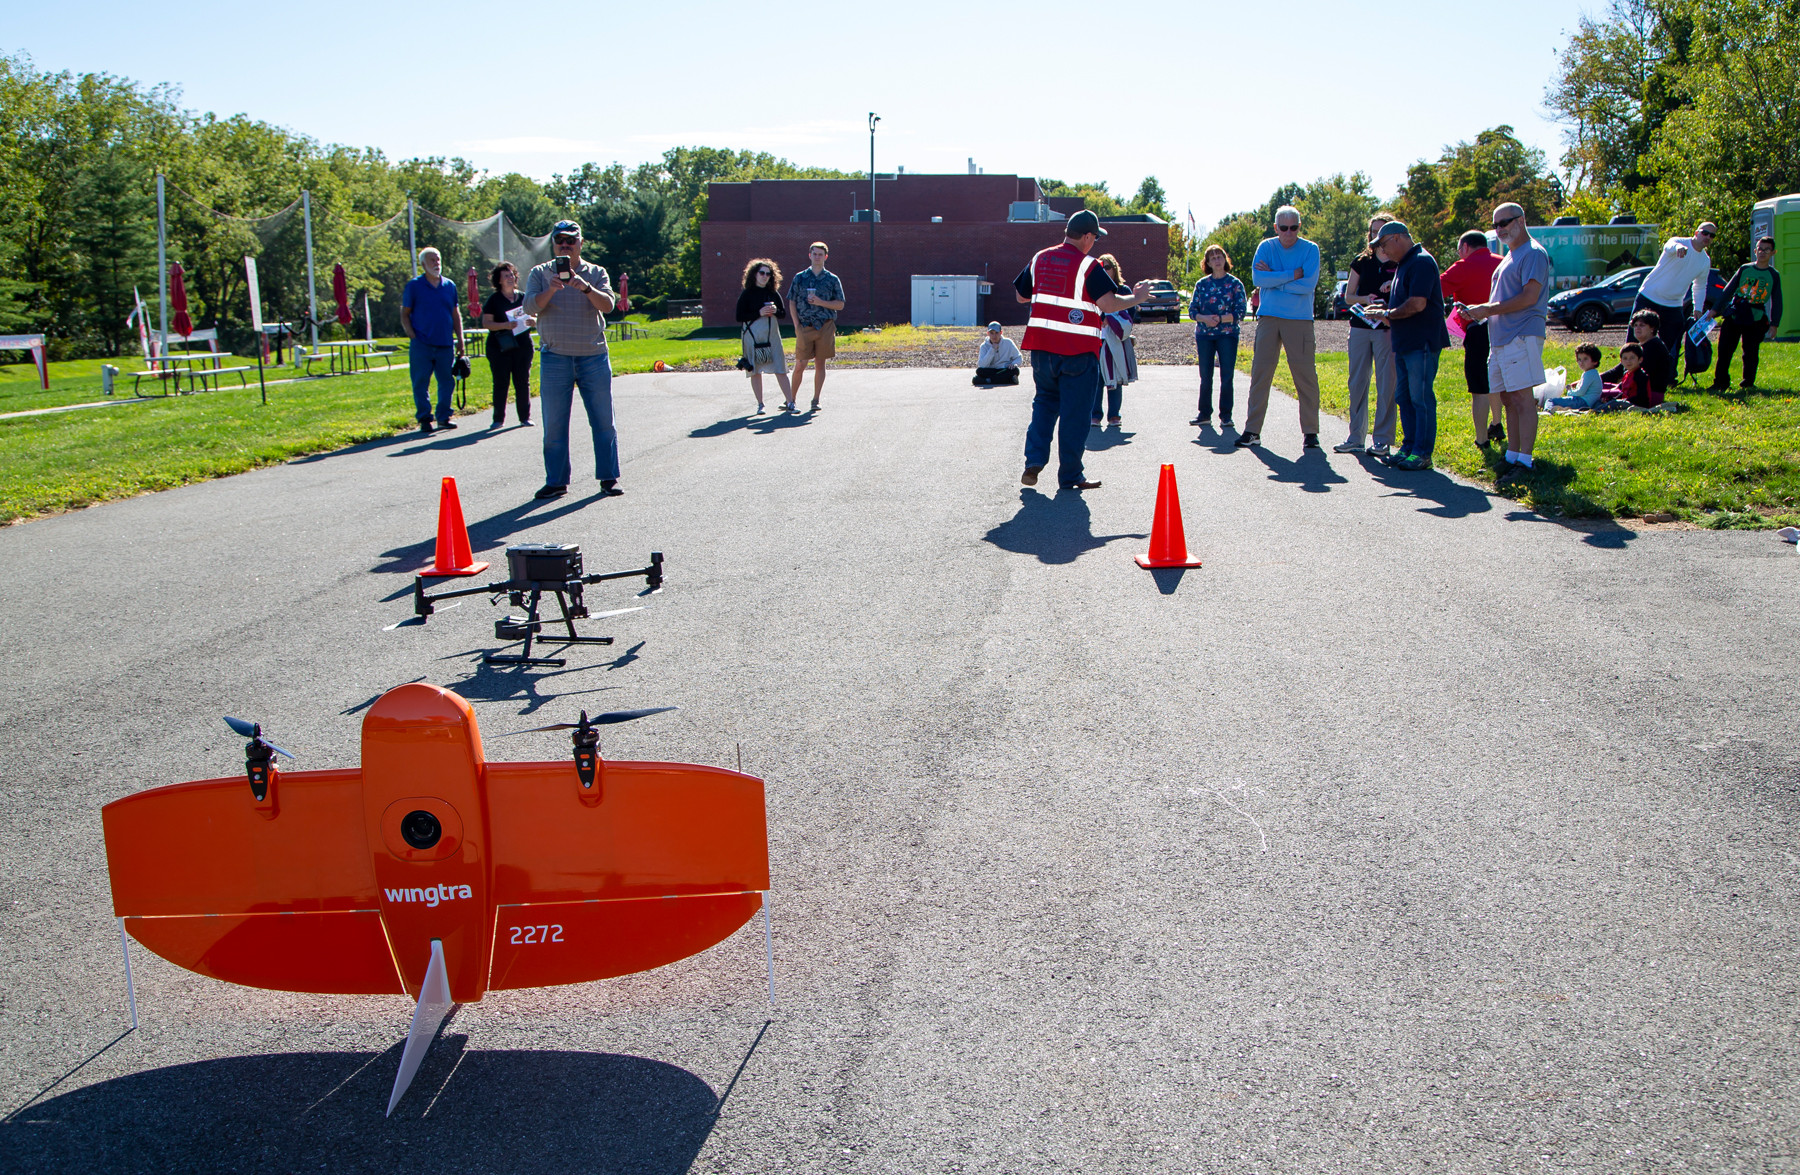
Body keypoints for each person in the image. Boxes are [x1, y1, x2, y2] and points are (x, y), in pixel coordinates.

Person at [1014, 209, 1152, 490]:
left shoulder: (1040, 257)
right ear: (1087, 236)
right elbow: (1109, 304)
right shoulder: (1089, 266)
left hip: (1041, 349)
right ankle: (1070, 475)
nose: (1094, 243)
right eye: (1095, 238)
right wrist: (1137, 297)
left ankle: (1034, 460)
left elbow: (1020, 295)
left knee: (1044, 403)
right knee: (1075, 414)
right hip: (1077, 351)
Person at [523, 219, 620, 501]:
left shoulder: (596, 272)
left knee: (603, 421)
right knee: (554, 423)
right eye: (559, 242)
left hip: (593, 356)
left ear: (580, 243)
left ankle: (608, 478)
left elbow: (609, 305)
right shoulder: (540, 273)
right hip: (555, 357)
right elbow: (530, 306)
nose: (564, 246)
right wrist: (551, 289)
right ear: (553, 244)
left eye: (570, 241)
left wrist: (585, 288)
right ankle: (556, 481)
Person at [1463, 203, 1550, 481]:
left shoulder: (1533, 253)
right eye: (1496, 225)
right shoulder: (1509, 256)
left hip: (1521, 335)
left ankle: (1525, 461)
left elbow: (1529, 298)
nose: (1500, 229)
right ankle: (1512, 456)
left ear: (1522, 220)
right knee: (1506, 398)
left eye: (1505, 222)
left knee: (1523, 398)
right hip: (1500, 338)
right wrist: (1479, 311)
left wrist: (1487, 310)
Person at [1364, 222, 1449, 471]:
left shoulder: (1421, 261)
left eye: (1384, 244)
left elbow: (1417, 304)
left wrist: (1387, 312)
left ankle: (1422, 453)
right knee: (1404, 396)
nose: (1383, 251)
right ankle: (1409, 447)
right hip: (1405, 342)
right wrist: (1384, 314)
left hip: (1420, 342)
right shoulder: (1404, 264)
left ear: (1399, 238)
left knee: (1420, 397)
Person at [1239, 205, 1322, 451]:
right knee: (1260, 374)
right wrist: (1290, 275)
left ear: (1299, 227)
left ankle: (1311, 433)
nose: (1289, 232)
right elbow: (1258, 279)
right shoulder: (1266, 247)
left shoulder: (1310, 249)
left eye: (1294, 227)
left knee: (1305, 376)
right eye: (1283, 228)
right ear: (1276, 228)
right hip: (1269, 317)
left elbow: (1308, 284)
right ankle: (1252, 431)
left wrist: (1276, 279)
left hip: (1300, 319)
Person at [1335, 213, 1399, 455]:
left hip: (1386, 329)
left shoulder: (1400, 262)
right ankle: (1356, 437)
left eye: (1381, 231)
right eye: (1373, 231)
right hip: (1360, 328)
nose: (1376, 235)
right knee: (1357, 382)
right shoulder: (1362, 261)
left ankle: (1382, 439)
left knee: (1386, 385)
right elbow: (1348, 296)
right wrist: (1365, 298)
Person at [1440, 228, 1505, 446]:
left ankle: (1481, 439)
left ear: (1465, 247)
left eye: (1459, 249)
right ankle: (1497, 423)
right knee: (1497, 378)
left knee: (1479, 386)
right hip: (1505, 328)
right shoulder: (1504, 262)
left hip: (1478, 330)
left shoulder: (1463, 267)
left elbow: (1434, 289)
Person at [399, 246, 466, 434]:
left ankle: (444, 417)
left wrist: (460, 338)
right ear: (423, 264)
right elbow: (405, 313)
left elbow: (455, 313)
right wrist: (412, 334)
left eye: (438, 259)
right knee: (421, 382)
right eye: (432, 260)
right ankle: (425, 419)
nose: (436, 263)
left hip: (445, 342)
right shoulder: (414, 286)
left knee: (447, 381)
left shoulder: (449, 286)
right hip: (422, 344)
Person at [1711, 236, 1783, 391]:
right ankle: (1720, 382)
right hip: (1736, 312)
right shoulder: (1745, 269)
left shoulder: (1773, 275)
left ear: (1773, 252)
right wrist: (1715, 309)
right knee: (1725, 350)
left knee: (1750, 352)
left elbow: (1777, 300)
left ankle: (1748, 382)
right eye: (1760, 249)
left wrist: (1774, 324)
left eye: (1767, 250)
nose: (1762, 252)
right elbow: (1728, 291)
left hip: (1755, 316)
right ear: (1755, 250)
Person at [1636, 221, 1717, 355]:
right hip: (1649, 297)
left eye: (1712, 236)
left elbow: (1700, 286)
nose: (1708, 237)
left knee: (1669, 347)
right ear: (1697, 233)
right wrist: (1678, 248)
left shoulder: (1705, 260)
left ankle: (1665, 374)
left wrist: (1697, 308)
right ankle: (1627, 374)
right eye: (1705, 233)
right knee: (1634, 342)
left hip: (1673, 305)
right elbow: (1669, 246)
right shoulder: (1679, 242)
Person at [1188, 244, 1245, 428]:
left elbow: (1240, 312)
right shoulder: (1202, 284)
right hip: (1205, 335)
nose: (1217, 260)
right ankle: (1204, 413)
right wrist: (1205, 318)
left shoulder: (1234, 284)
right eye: (1212, 258)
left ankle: (1226, 415)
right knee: (1206, 375)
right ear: (1208, 263)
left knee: (1227, 375)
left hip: (1227, 335)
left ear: (1225, 259)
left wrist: (1220, 319)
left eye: (1219, 256)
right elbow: (1192, 310)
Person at [787, 242, 845, 412]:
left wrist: (821, 302)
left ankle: (816, 399)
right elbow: (791, 301)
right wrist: (796, 325)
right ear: (809, 255)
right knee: (800, 364)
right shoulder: (800, 277)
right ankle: (791, 400)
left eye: (821, 254)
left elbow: (840, 304)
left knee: (820, 364)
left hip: (825, 326)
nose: (817, 257)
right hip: (805, 326)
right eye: (815, 254)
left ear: (825, 257)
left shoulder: (832, 279)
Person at [479, 262, 535, 428]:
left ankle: (525, 417)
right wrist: (504, 325)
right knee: (501, 382)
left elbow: (535, 315)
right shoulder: (494, 300)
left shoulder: (524, 297)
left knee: (522, 381)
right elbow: (486, 322)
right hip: (500, 347)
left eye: (512, 275)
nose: (510, 278)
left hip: (522, 345)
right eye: (506, 276)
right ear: (499, 281)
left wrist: (534, 321)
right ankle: (498, 419)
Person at [735, 258, 794, 414]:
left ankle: (790, 402)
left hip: (772, 335)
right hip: (752, 336)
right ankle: (761, 404)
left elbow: (782, 314)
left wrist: (774, 311)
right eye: (762, 273)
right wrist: (758, 313)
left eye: (768, 274)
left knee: (780, 368)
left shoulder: (772, 293)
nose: (765, 276)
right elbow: (739, 316)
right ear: (754, 274)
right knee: (754, 370)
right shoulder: (747, 293)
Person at [1092, 254, 1137, 425]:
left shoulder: (1123, 290)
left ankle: (1114, 415)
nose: (1104, 270)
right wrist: (1103, 317)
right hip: (1098, 340)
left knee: (1116, 378)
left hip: (1117, 340)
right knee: (1098, 378)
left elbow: (1131, 313)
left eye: (1108, 266)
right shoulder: (1093, 288)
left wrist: (1112, 320)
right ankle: (1095, 415)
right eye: (1101, 267)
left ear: (1115, 269)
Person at [1600, 309, 1673, 400]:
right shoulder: (1641, 347)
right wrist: (1592, 380)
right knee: (1593, 387)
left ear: (1652, 328)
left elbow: (1636, 379)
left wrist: (1613, 390)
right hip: (1629, 389)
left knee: (1593, 393)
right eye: (1635, 325)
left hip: (1647, 395)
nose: (1637, 328)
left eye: (1642, 325)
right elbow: (1617, 371)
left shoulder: (1654, 348)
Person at [1547, 343, 1604, 410]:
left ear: (1595, 361)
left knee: (1550, 401)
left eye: (1585, 359)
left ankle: (1548, 411)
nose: (1581, 362)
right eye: (1579, 359)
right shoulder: (1593, 373)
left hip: (1582, 402)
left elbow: (1580, 392)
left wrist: (1570, 391)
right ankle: (1562, 409)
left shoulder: (1589, 374)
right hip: (1588, 402)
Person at [1600, 343, 1655, 408]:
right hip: (1625, 402)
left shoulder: (1641, 376)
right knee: (1605, 401)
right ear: (1621, 361)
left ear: (1640, 360)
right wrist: (1613, 398)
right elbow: (1623, 393)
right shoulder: (1626, 374)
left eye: (1632, 358)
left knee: (1613, 404)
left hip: (1637, 405)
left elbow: (1641, 398)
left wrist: (1620, 401)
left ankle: (1597, 411)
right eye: (1625, 358)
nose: (1628, 361)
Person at [973, 322, 1022, 387]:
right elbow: (982, 365)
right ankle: (1009, 380)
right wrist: (992, 350)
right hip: (991, 370)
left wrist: (1014, 364)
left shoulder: (1008, 342)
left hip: (1004, 369)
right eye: (992, 333)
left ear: (1001, 333)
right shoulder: (984, 346)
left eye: (996, 333)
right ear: (988, 333)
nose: (994, 336)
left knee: (1015, 370)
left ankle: (988, 380)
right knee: (979, 371)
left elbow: (1018, 357)